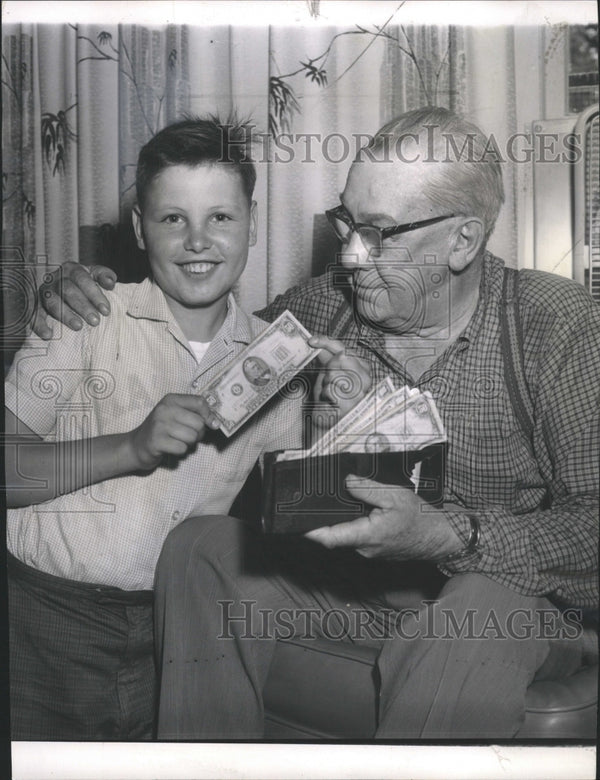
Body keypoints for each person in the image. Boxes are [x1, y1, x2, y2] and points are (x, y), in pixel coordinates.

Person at [30, 107, 599, 738]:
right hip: (368, 590)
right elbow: (205, 323)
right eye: (346, 223)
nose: (351, 258)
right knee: (203, 548)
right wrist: (76, 285)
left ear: (462, 241)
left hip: (506, 597)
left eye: (379, 233)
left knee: (475, 602)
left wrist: (447, 536)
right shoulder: (324, 304)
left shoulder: (556, 325)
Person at [4, 115, 353, 741]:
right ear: (139, 228)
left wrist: (335, 421)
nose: (198, 240)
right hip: (45, 621)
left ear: (252, 221)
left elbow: (300, 524)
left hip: (180, 633)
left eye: (221, 217)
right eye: (173, 219)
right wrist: (132, 447)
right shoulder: (86, 313)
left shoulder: (278, 361)